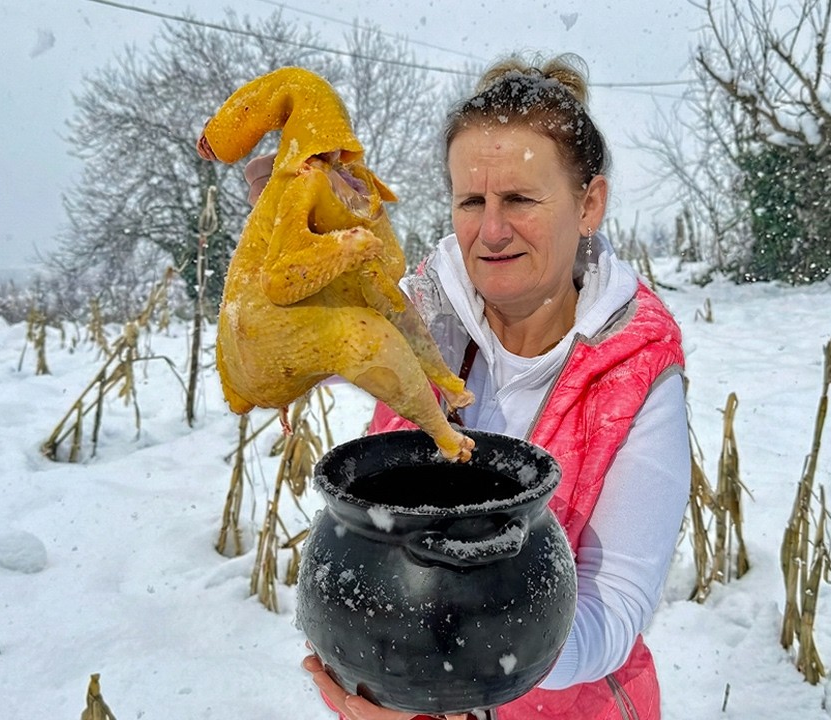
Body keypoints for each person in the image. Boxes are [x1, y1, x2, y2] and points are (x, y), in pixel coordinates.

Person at [249, 54, 689, 720]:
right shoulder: (422, 315)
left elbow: (613, 613)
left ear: (589, 204)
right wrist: (296, 229)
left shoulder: (636, 372)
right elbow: (309, 337)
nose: (491, 231)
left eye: (520, 200)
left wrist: (454, 676)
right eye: (471, 201)